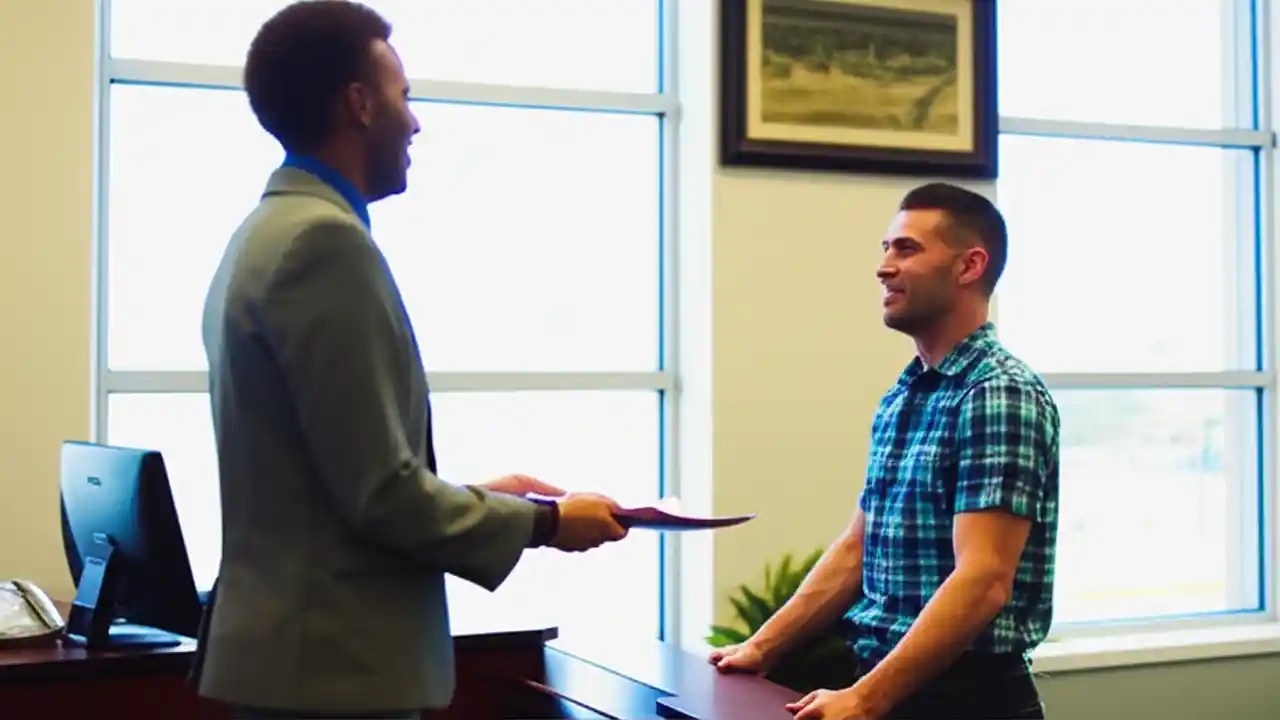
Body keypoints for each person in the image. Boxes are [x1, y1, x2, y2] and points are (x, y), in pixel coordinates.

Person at [194, 2, 629, 718]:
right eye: (404, 95)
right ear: (360, 105)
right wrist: (546, 523)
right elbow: (382, 498)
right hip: (332, 674)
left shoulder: (263, 232)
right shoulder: (324, 245)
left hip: (294, 663)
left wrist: (493, 498)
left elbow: (331, 485)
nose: (416, 123)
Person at [710, 183, 1060, 720]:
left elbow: (984, 580)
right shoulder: (906, 393)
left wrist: (866, 698)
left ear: (969, 266)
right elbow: (858, 547)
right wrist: (761, 647)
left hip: (968, 700)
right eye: (886, 248)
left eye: (906, 249)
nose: (883, 267)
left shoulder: (997, 393)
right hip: (891, 684)